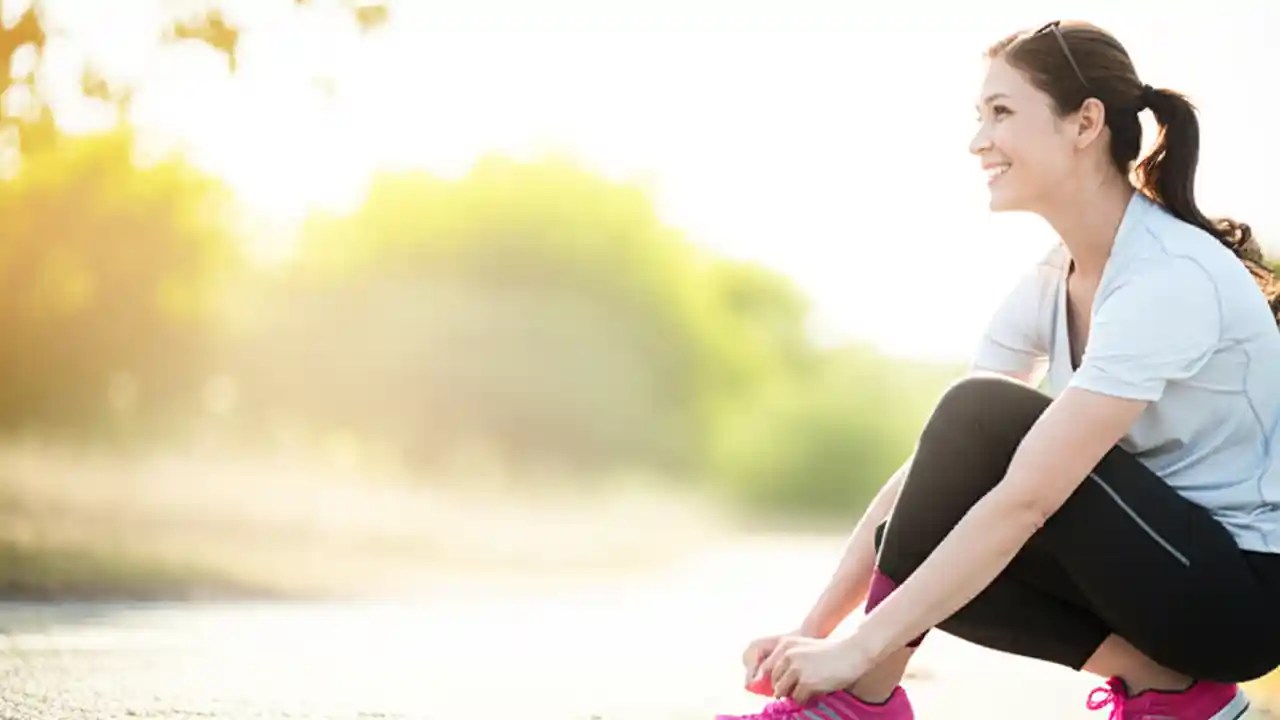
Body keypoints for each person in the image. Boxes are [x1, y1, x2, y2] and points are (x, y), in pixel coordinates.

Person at [715, 20, 1280, 720]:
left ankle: (857, 705)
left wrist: (857, 653)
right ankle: (1174, 695)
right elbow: (934, 471)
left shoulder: (1168, 276)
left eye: (1002, 112)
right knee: (914, 533)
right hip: (1164, 576)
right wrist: (809, 639)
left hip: (1243, 597)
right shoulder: (1052, 280)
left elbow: (1025, 496)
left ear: (1085, 123)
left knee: (980, 414)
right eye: (979, 116)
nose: (978, 140)